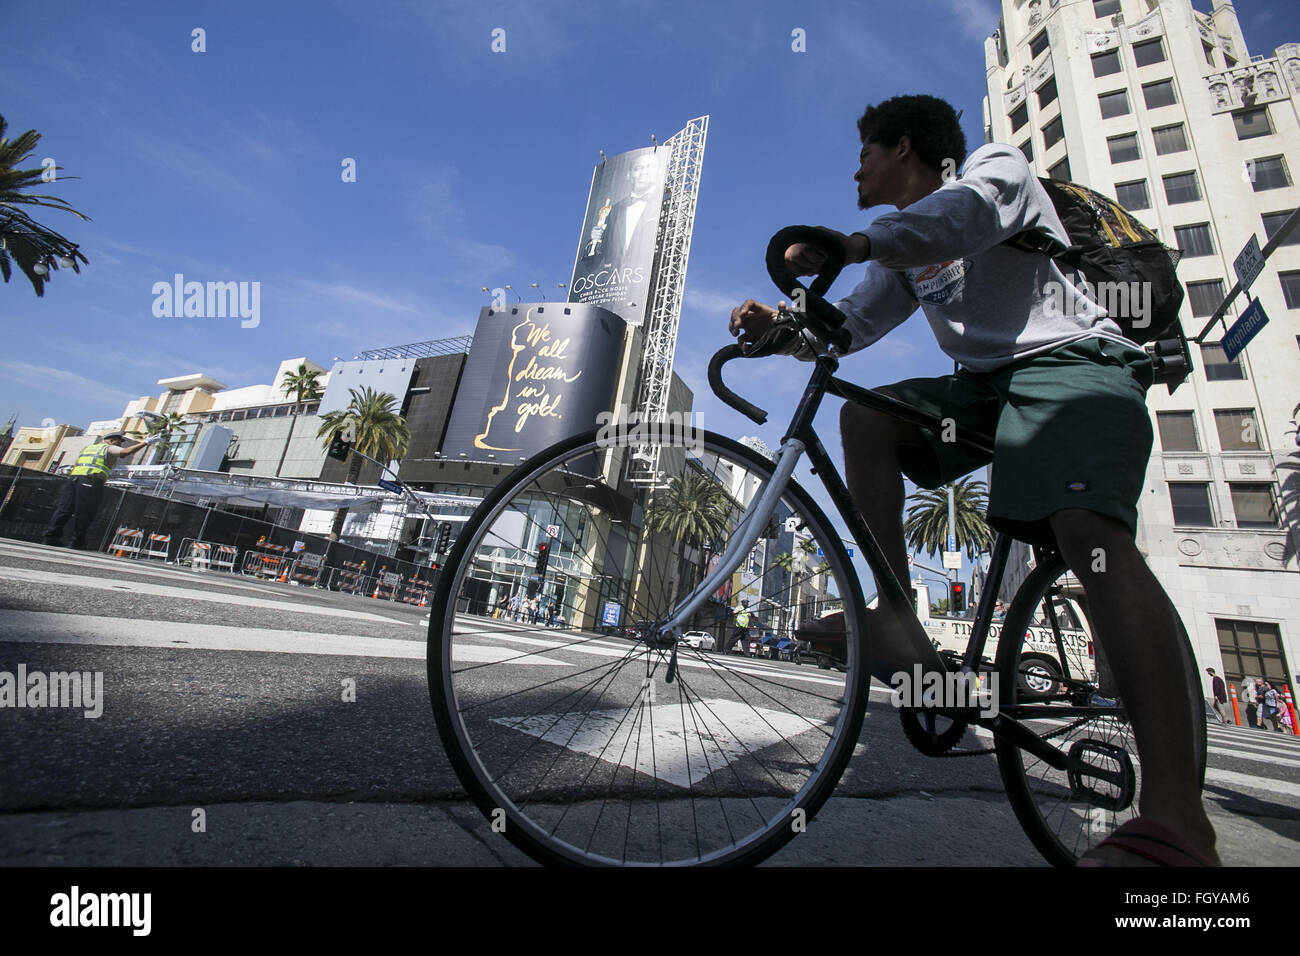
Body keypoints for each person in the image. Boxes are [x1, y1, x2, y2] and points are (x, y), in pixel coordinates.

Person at [729, 94, 1217, 865]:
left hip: (1073, 365)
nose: (854, 168)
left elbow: (958, 219)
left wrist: (854, 242)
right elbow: (850, 326)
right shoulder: (906, 247)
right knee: (867, 417)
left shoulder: (994, 172)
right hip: (987, 390)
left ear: (903, 148)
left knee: (1087, 536)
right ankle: (896, 615)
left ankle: (1177, 821)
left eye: (865, 152)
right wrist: (781, 330)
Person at [43, 431, 155, 549]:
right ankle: (76, 542)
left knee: (64, 509)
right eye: (119, 441)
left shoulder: (89, 448)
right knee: (85, 512)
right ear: (111, 440)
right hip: (90, 481)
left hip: (74, 479)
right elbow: (126, 452)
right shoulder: (108, 448)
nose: (120, 444)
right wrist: (145, 443)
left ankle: (50, 537)